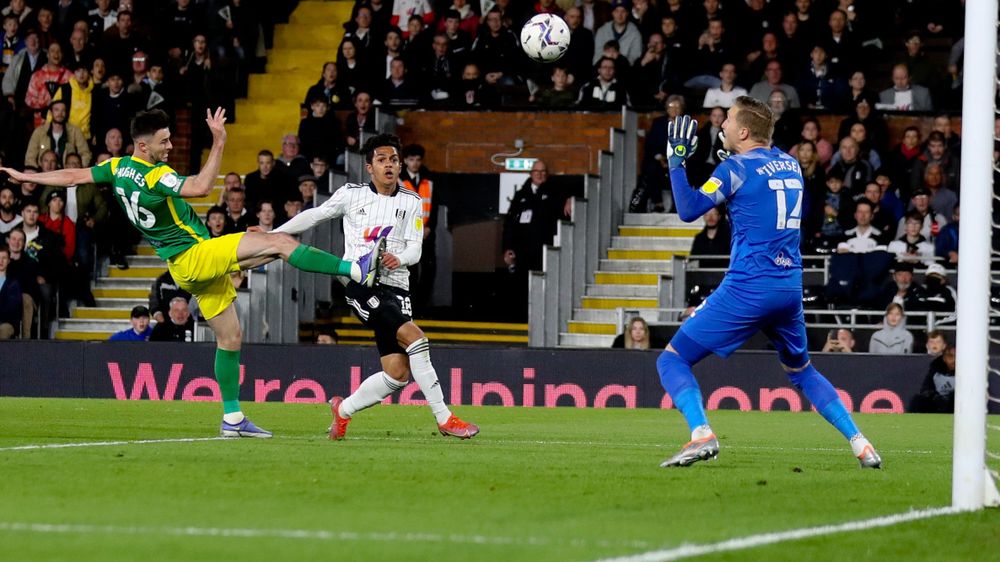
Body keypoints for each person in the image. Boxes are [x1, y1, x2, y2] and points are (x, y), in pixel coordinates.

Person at [0, 108, 384, 439]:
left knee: (232, 335)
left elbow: (72, 177)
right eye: (164, 141)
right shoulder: (156, 176)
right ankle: (356, 269)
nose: (170, 147)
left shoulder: (117, 168)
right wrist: (218, 141)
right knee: (281, 243)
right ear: (144, 146)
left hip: (185, 264)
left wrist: (27, 176)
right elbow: (201, 186)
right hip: (194, 256)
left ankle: (232, 418)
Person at [656, 96, 881, 468]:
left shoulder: (735, 169)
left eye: (727, 120)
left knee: (672, 360)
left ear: (743, 131)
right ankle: (861, 443)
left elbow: (688, 209)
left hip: (749, 286)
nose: (722, 126)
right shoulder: (791, 164)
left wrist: (677, 163)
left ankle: (701, 434)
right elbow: (759, 191)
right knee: (802, 370)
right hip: (788, 287)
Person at [275, 133, 479, 441]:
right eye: (382, 160)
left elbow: (417, 248)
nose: (389, 165)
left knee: (397, 375)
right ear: (369, 167)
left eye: (394, 160)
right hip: (362, 284)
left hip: (398, 288)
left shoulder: (412, 201)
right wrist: (272, 234)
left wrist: (400, 257)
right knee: (416, 339)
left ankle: (343, 410)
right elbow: (316, 215)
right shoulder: (351, 194)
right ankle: (444, 417)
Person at [910, 345, 955, 413]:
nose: (954, 360)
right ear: (944, 358)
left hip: (957, 404)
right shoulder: (935, 370)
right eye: (950, 356)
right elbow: (925, 389)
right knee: (917, 400)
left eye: (958, 357)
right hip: (938, 402)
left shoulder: (970, 374)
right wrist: (934, 396)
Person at [0, 245, 21, 339]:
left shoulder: (13, 284)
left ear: (8, 261)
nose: (0, 261)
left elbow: (11, 309)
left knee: (3, 330)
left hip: (6, 323)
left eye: (4, 258)